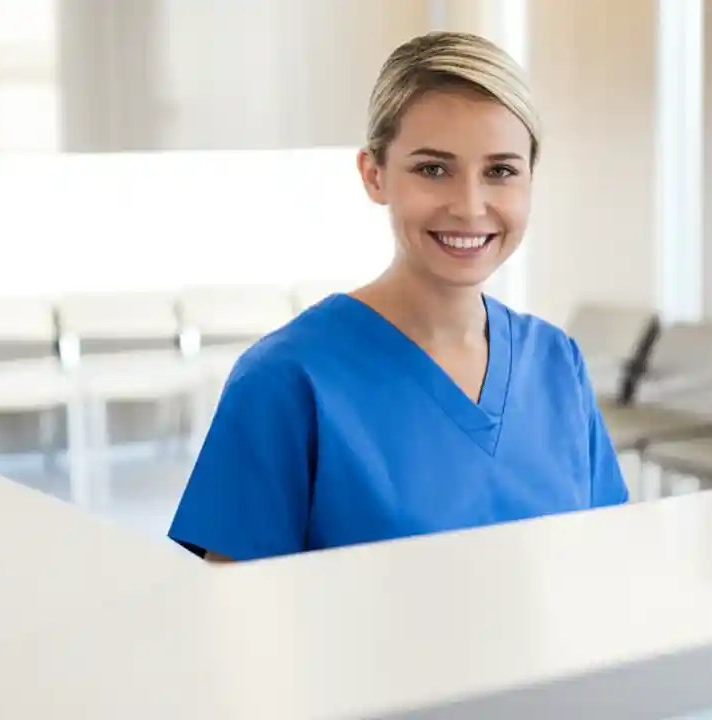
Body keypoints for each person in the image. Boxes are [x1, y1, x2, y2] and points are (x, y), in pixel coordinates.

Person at [168, 31, 628, 562]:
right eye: (433, 169)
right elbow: (236, 622)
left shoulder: (556, 363)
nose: (470, 206)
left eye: (500, 171)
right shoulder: (285, 380)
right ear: (374, 174)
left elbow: (602, 567)